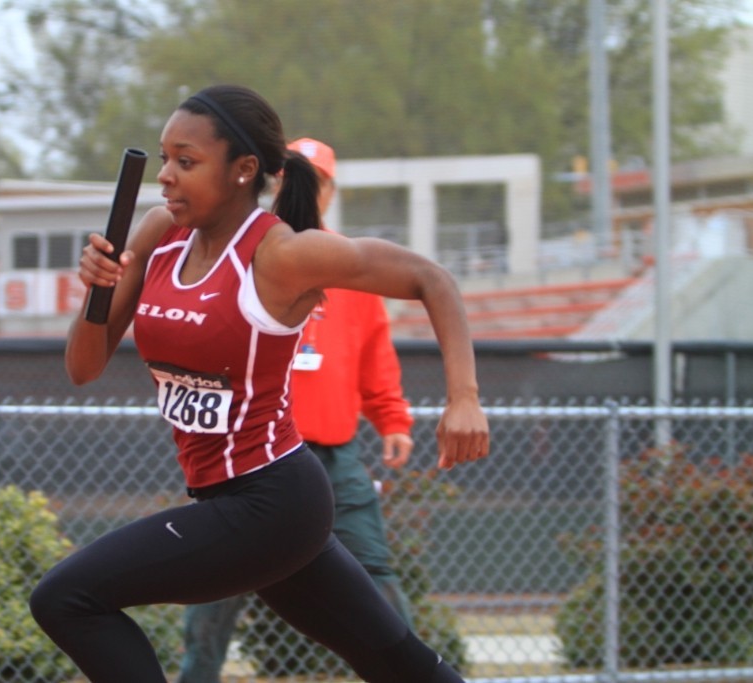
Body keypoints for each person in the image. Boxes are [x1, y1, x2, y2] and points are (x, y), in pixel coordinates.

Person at [29, 84, 489, 683]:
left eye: (186, 162)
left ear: (244, 170)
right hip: (242, 504)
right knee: (395, 662)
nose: (166, 176)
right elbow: (83, 367)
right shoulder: (157, 234)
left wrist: (464, 399)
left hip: (271, 502)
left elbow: (432, 278)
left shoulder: (282, 256)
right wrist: (99, 289)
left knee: (66, 598)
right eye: (165, 158)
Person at [177, 137, 417, 683]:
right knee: (217, 585)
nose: (304, 187)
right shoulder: (244, 250)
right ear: (273, 182)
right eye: (290, 176)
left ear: (329, 190)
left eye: (318, 178)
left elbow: (374, 353)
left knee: (373, 574)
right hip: (252, 460)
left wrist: (392, 418)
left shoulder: (351, 265)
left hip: (334, 456)